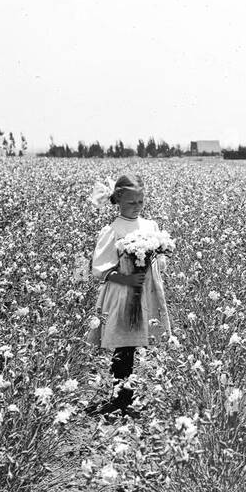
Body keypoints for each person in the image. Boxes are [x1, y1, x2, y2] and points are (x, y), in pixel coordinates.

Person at [84, 173, 172, 417]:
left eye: (141, 202)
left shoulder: (150, 226)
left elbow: (161, 263)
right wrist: (128, 277)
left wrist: (151, 262)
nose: (137, 207)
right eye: (132, 202)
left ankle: (125, 395)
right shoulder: (112, 230)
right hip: (123, 294)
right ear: (119, 200)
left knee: (134, 343)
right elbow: (100, 271)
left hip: (146, 292)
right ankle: (120, 396)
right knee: (124, 345)